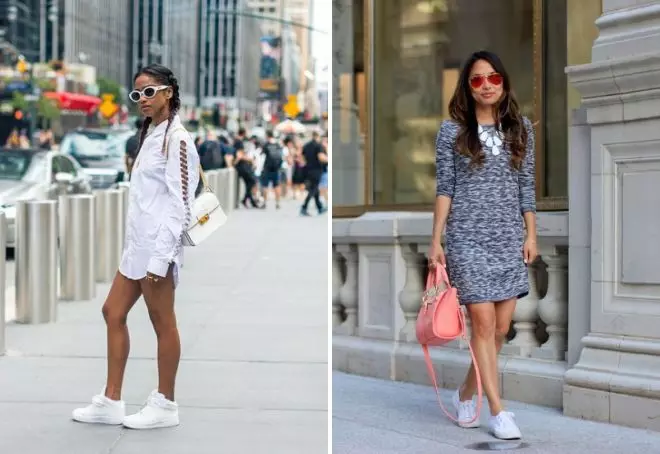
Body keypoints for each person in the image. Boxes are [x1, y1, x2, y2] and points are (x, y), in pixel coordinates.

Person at [72, 63, 200, 430]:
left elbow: (181, 202)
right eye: (137, 94)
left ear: (168, 93)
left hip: (157, 250)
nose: (142, 99)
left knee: (163, 323)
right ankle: (111, 400)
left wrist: (162, 258)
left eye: (149, 91)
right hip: (137, 248)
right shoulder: (152, 133)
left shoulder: (177, 139)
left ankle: (165, 405)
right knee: (112, 311)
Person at [428, 50, 536, 440]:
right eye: (477, 80)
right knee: (483, 324)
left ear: (503, 82)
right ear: (468, 88)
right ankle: (498, 409)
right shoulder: (451, 132)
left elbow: (526, 187)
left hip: (508, 238)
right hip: (466, 238)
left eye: (493, 78)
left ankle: (466, 392)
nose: (486, 85)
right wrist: (437, 239)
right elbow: (445, 189)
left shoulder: (521, 129)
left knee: (501, 329)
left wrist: (531, 234)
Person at [300, 131, 327, 216]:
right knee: (313, 189)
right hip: (317, 169)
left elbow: (302, 158)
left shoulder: (306, 145)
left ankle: (319, 207)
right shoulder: (318, 146)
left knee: (314, 188)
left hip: (308, 169)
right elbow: (321, 157)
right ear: (318, 136)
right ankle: (304, 207)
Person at [260, 130, 283, 209]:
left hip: (267, 168)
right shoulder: (277, 144)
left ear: (267, 135)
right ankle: (278, 203)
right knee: (276, 186)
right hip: (276, 169)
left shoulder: (266, 145)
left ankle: (265, 203)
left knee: (265, 186)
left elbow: (261, 156)